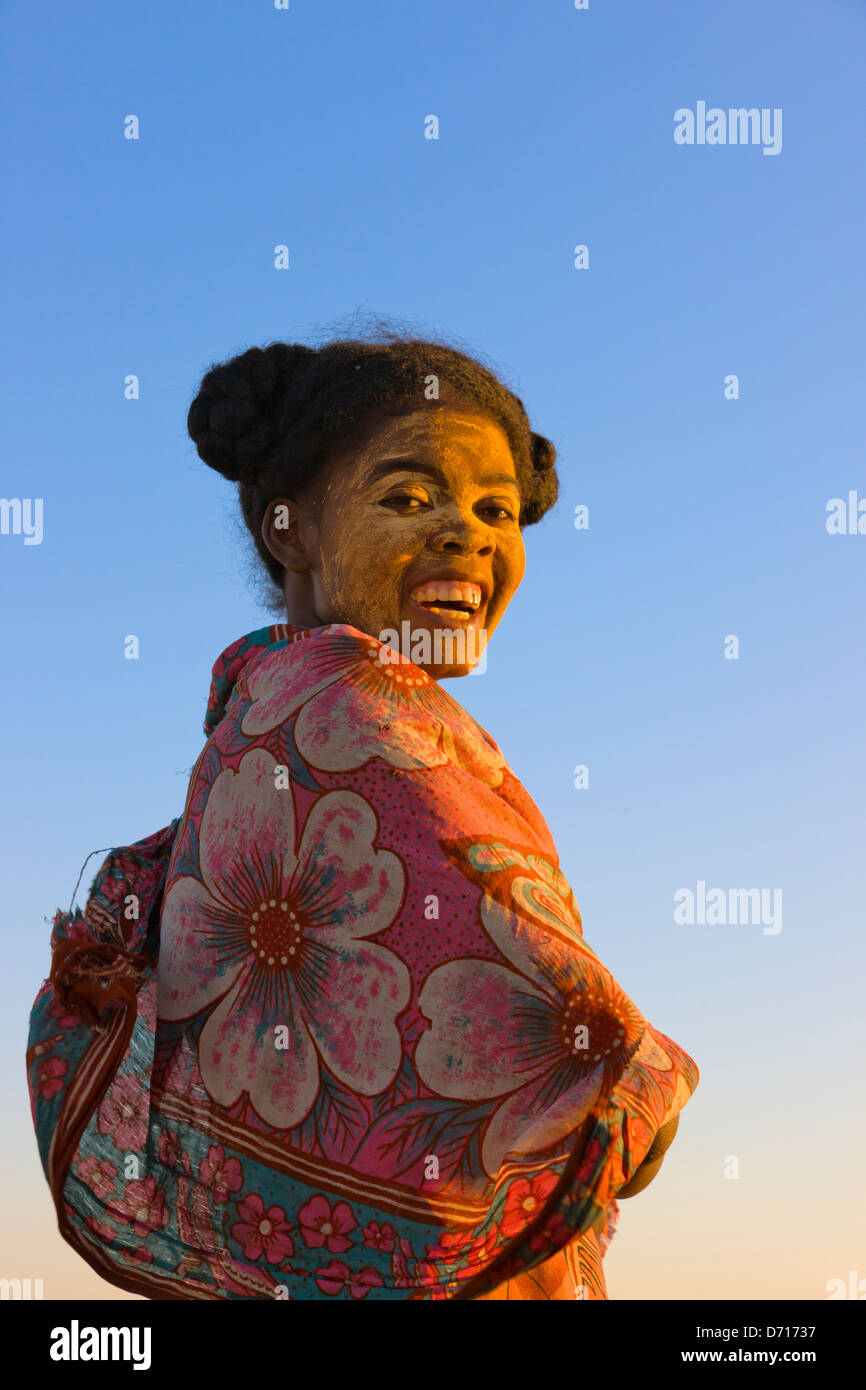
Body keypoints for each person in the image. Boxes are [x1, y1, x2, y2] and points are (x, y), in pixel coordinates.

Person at [26, 330, 699, 1300]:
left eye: (493, 508)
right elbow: (537, 1013)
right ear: (289, 527)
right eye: (408, 497)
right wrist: (632, 1090)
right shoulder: (346, 699)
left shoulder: (253, 711)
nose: (466, 534)